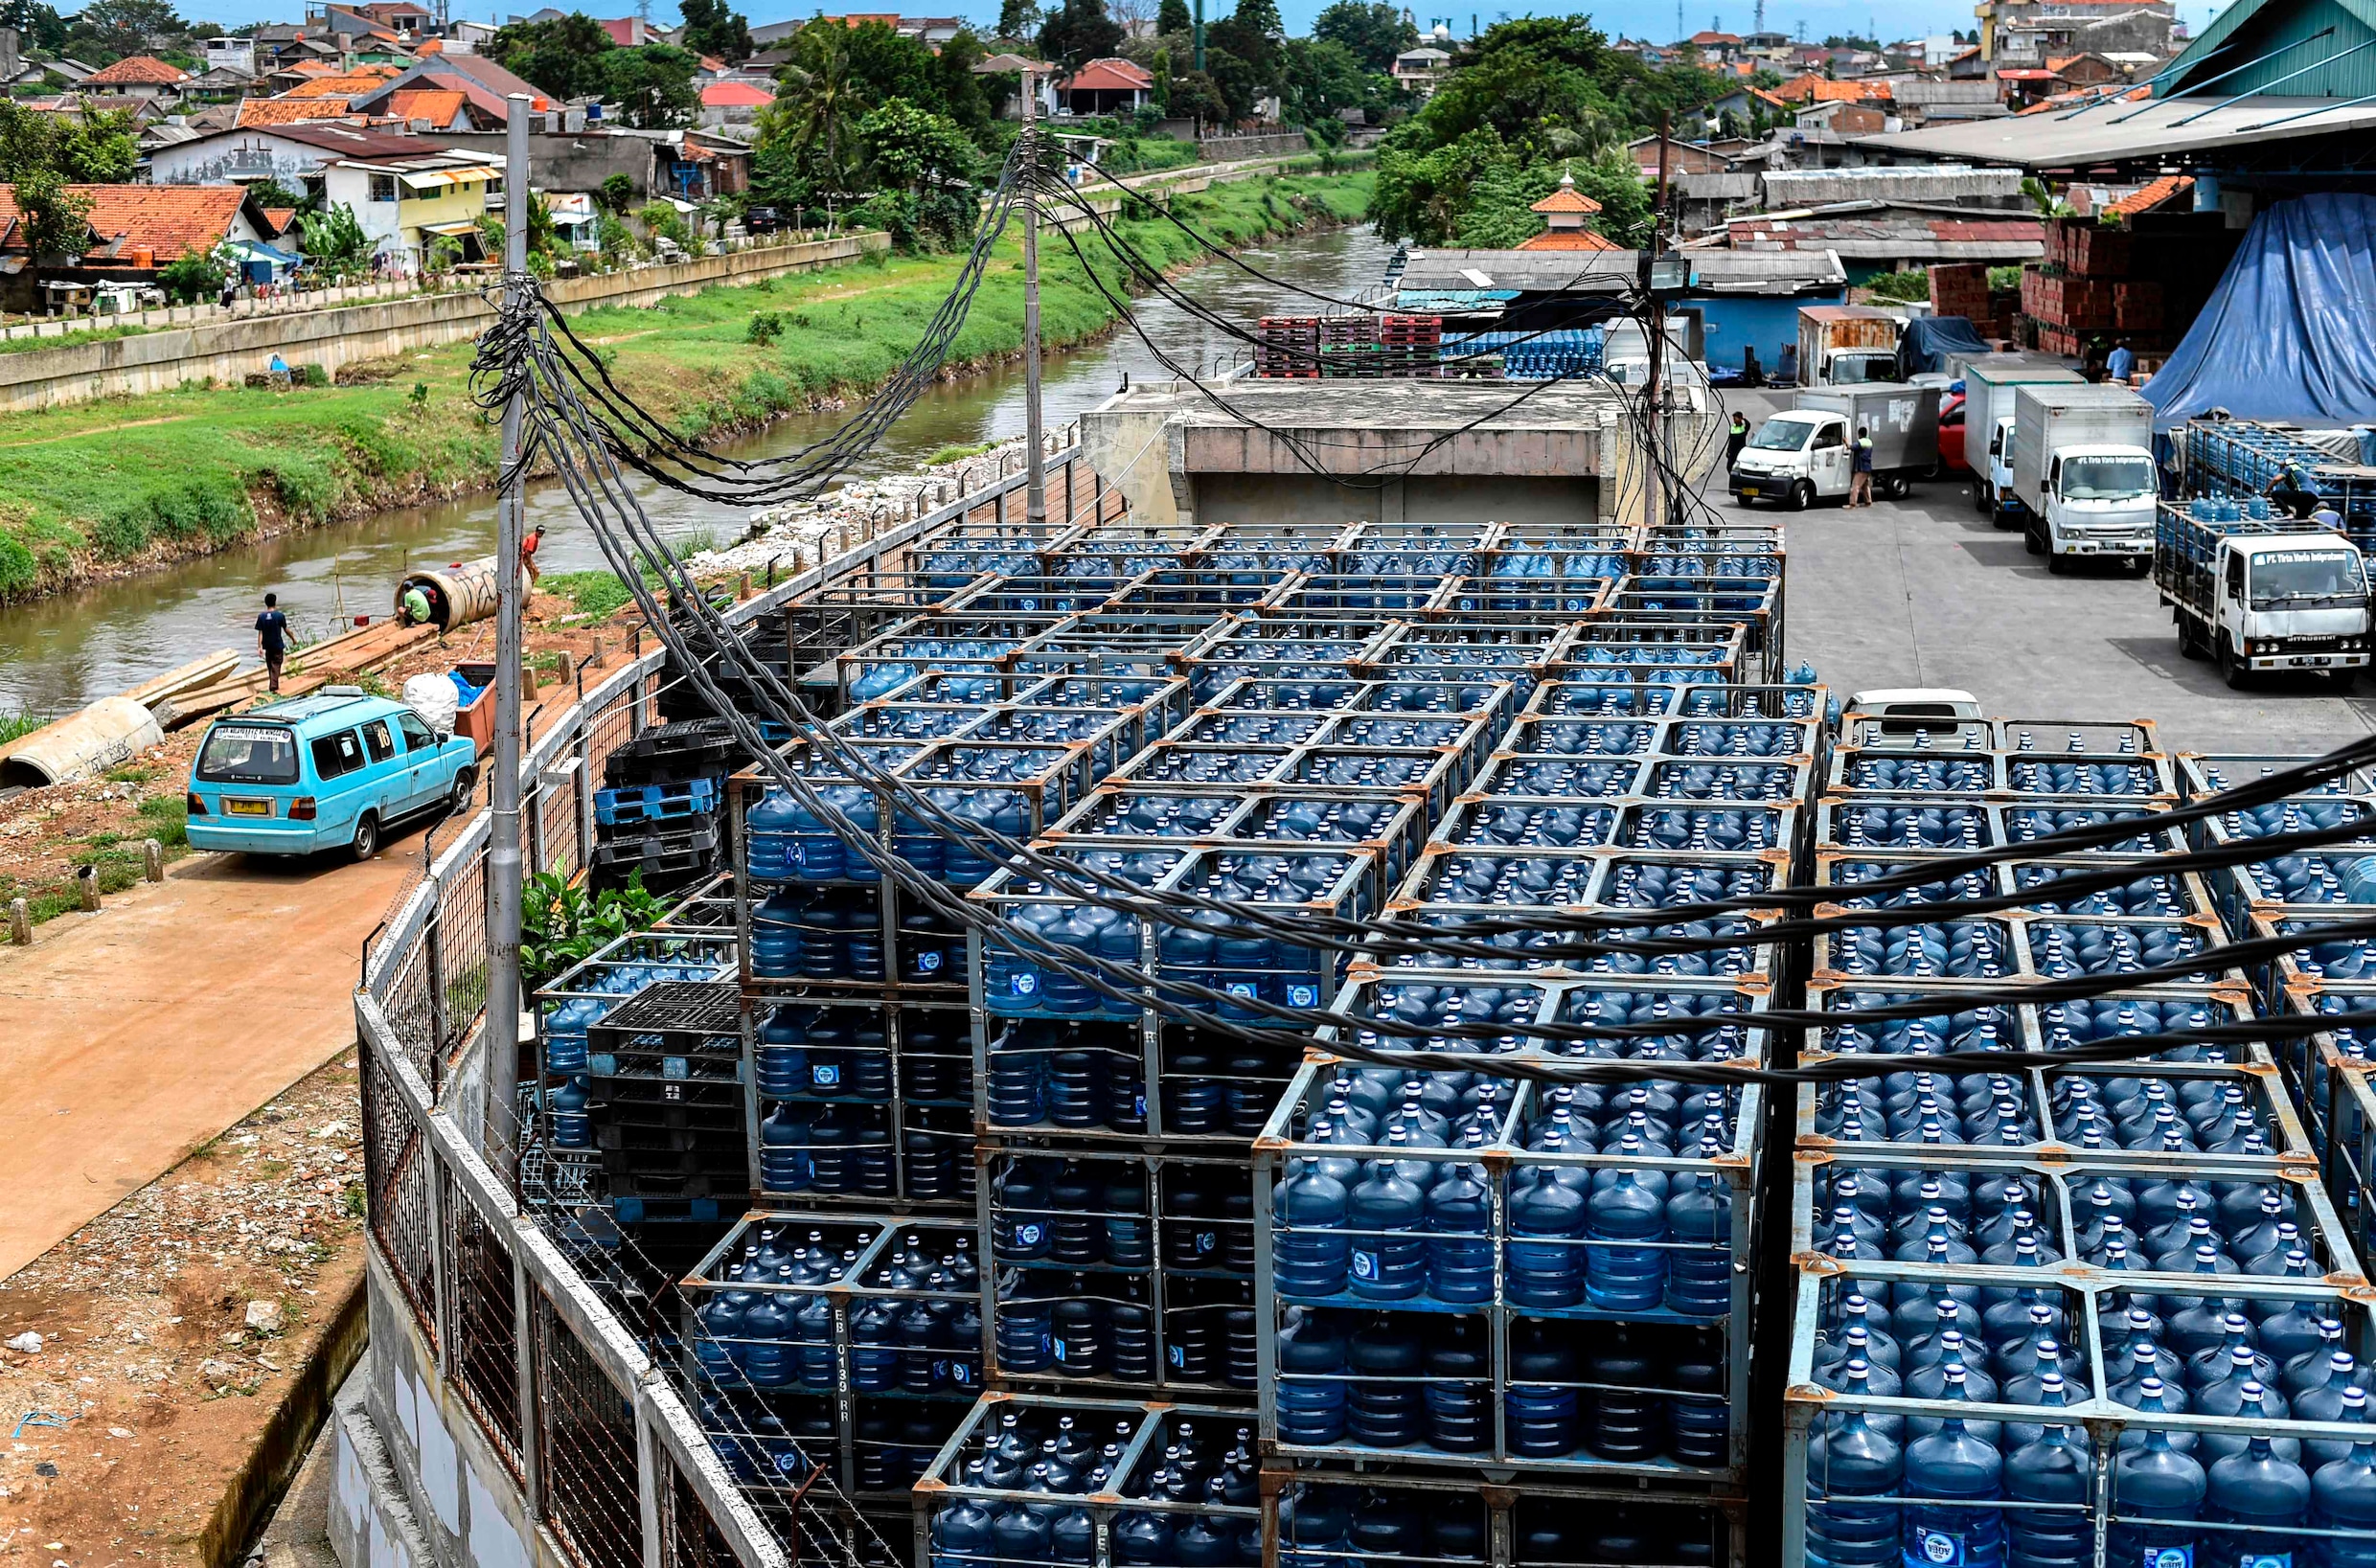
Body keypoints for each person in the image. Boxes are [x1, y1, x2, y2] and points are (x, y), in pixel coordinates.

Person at [255, 592, 289, 695]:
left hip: (268, 646)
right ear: (275, 602)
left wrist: (259, 647)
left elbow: (260, 633)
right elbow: (286, 630)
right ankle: (273, 687)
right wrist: (293, 639)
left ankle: (273, 685)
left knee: (271, 666)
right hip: (277, 645)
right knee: (276, 665)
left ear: (266, 603)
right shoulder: (279, 616)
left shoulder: (261, 617)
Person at [1849, 424, 1876, 508]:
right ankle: (1868, 502)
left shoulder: (1861, 442)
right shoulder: (1869, 441)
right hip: (1867, 467)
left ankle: (1852, 504)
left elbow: (1851, 447)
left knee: (1855, 486)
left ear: (1859, 434)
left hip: (1861, 468)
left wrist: (1846, 441)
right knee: (1865, 486)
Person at [521, 523, 545, 588]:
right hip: (523, 557)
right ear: (536, 532)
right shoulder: (533, 539)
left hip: (525, 556)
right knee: (533, 572)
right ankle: (529, 588)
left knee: (535, 572)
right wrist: (531, 563)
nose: (541, 535)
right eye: (540, 533)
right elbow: (527, 552)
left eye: (542, 533)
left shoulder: (534, 537)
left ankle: (529, 587)